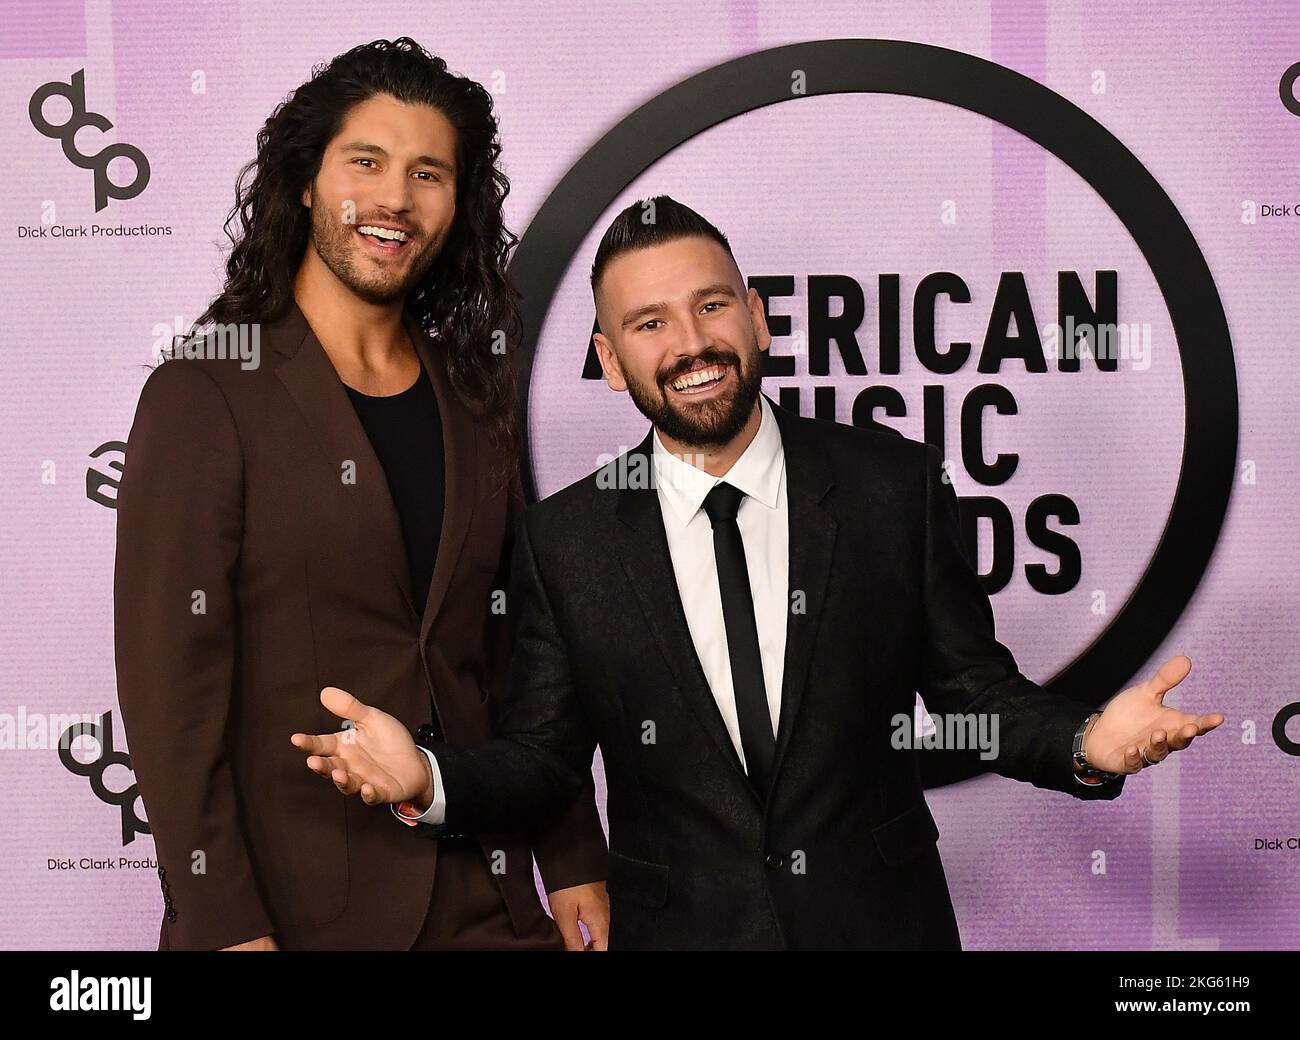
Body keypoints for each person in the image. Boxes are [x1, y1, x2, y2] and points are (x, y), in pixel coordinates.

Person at [291, 195, 1224, 950]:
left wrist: (1086, 743)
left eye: (710, 305)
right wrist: (429, 777)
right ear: (613, 364)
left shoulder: (890, 486)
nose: (689, 343)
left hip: (883, 932)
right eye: (649, 324)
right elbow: (543, 757)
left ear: (760, 317)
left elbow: (975, 692)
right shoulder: (564, 542)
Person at [114, 38, 608, 951]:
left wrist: (574, 851)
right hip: (295, 913)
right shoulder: (207, 392)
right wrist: (223, 923)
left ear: (456, 206)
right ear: (306, 182)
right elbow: (170, 695)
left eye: (428, 173)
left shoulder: (471, 398)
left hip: (486, 896)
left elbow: (508, 658)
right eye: (366, 162)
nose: (393, 199)